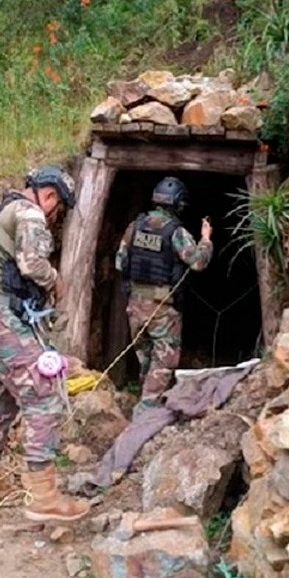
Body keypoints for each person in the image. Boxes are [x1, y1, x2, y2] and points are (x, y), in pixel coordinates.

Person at [0, 165, 89, 521]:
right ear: (50, 196)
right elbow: (32, 263)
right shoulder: (30, 212)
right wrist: (55, 279)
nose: (55, 214)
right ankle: (45, 496)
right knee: (45, 395)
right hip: (2, 322)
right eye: (58, 208)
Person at [115, 176, 213, 411]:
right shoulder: (175, 232)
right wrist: (206, 239)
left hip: (135, 306)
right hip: (162, 309)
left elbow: (120, 263)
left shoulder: (134, 227)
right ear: (178, 204)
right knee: (163, 362)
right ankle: (147, 410)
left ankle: (146, 398)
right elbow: (198, 262)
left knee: (146, 359)